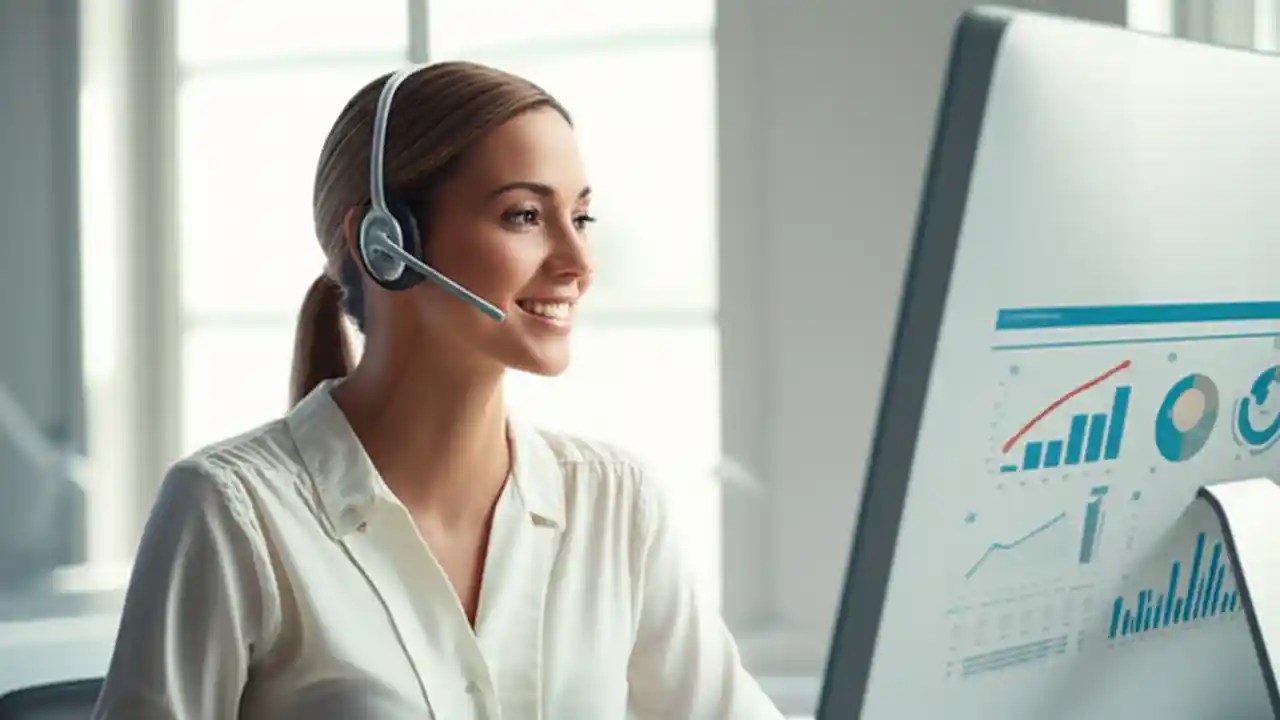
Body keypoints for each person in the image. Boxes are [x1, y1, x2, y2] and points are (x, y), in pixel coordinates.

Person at [92, 60, 783, 719]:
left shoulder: (614, 502)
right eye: (524, 216)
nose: (578, 262)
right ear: (384, 243)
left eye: (582, 217)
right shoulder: (230, 512)